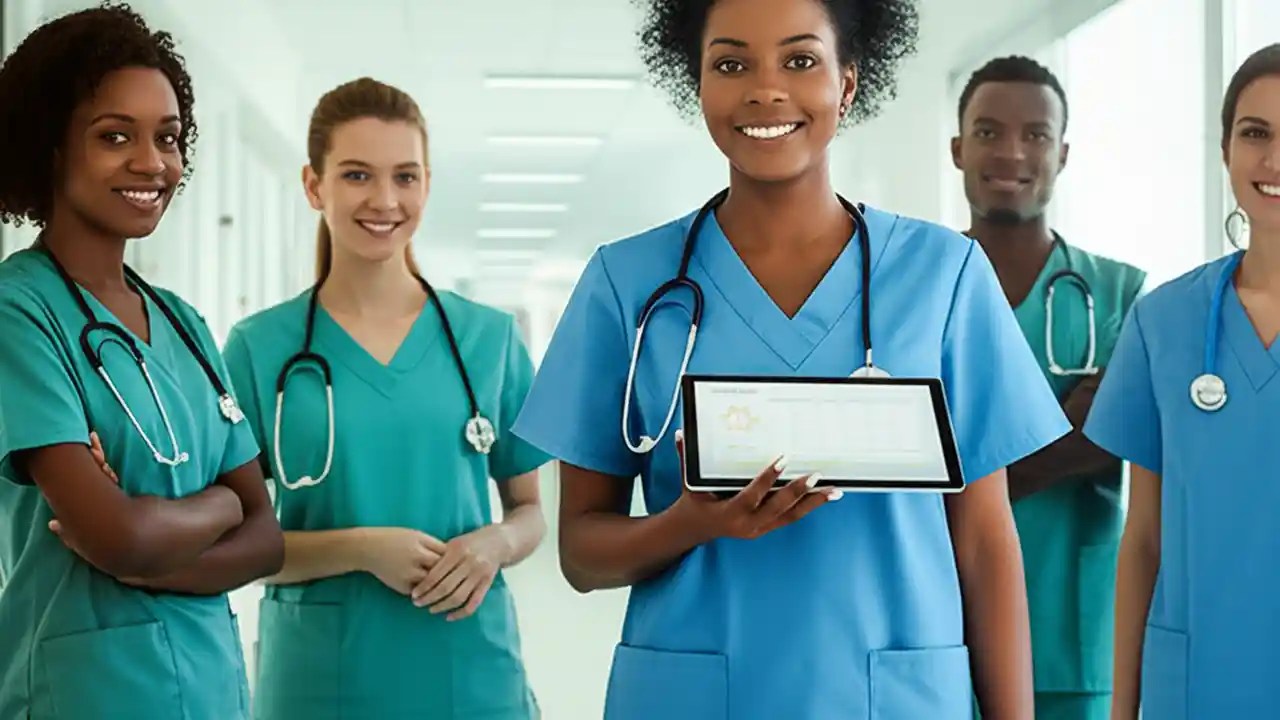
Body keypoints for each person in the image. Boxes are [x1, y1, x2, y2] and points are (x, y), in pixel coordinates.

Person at [511, 1, 1071, 718]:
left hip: (895, 697)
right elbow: (582, 555)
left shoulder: (944, 276)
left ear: (847, 83)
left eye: (800, 60)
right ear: (698, 82)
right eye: (731, 63)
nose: (765, 89)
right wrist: (691, 523)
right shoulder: (627, 284)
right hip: (696, 696)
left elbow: (987, 542)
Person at [221, 77, 551, 720]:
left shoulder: (487, 339)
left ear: (427, 184)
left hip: (466, 670)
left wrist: (494, 544)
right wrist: (362, 548)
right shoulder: (260, 348)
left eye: (405, 176)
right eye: (356, 175)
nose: (385, 200)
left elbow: (529, 513)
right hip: (323, 682)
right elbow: (235, 542)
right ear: (313, 186)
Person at [0, 5, 284, 719]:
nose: (153, 162)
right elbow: (118, 535)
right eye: (115, 136)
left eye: (168, 137)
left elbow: (265, 538)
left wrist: (155, 541)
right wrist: (216, 508)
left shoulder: (184, 324)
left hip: (212, 690)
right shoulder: (18, 312)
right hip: (84, 693)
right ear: (48, 145)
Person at [1084, 43, 1280, 720]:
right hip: (1194, 687)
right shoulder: (1165, 322)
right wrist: (1121, 711)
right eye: (1255, 133)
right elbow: (1142, 539)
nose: (1274, 160)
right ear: (1225, 150)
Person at [951, 56, 1146, 720]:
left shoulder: (1121, 294)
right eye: (988, 132)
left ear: (1062, 154)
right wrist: (1070, 429)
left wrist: (959, 476)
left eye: (1035, 134)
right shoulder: (913, 288)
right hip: (941, 629)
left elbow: (1112, 436)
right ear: (958, 148)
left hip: (1071, 634)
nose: (1012, 152)